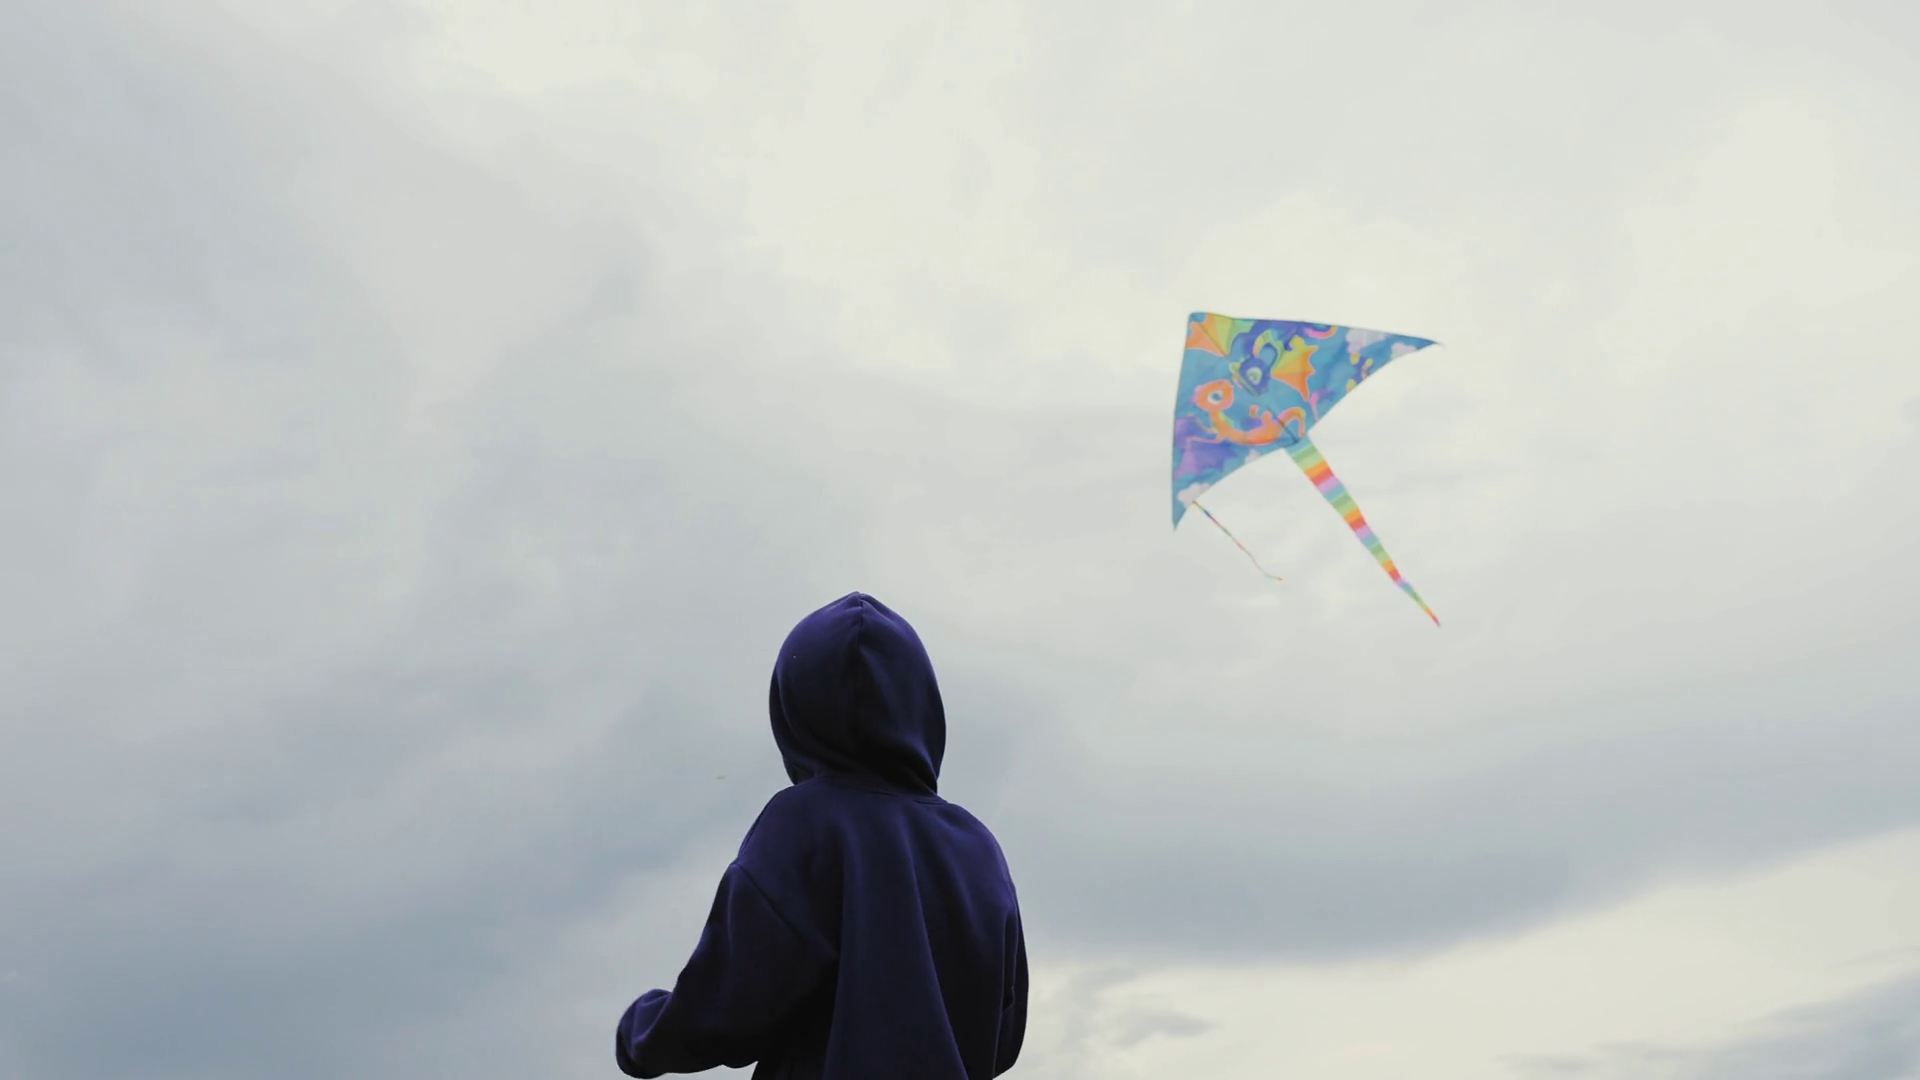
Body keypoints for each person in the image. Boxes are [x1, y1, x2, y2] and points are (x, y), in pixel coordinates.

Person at [615, 592, 1029, 1079]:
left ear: (794, 710)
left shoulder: (805, 822)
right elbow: (1001, 1041)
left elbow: (727, 1007)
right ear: (922, 704)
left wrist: (640, 1033)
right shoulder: (979, 847)